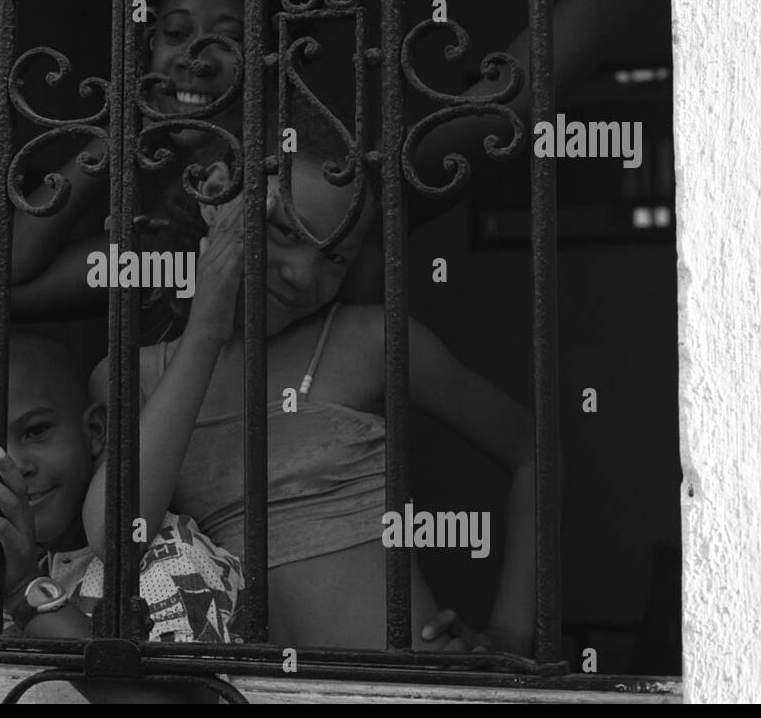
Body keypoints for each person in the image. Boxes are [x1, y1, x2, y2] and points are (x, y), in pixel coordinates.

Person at [0, 0, 669, 332]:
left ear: (272, 57)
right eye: (172, 31)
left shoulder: (339, 174)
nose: (192, 56)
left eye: (227, 35)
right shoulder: (158, 231)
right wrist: (115, 137)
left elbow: (507, 101)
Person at [84, 137, 536, 652]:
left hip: (412, 688)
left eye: (335, 258)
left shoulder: (369, 342)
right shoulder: (134, 377)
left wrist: (514, 633)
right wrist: (206, 327)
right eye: (283, 231)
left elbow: (533, 452)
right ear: (214, 195)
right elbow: (116, 539)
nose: (303, 274)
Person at [0, 330, 242, 645]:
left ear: (95, 432)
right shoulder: (45, 566)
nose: (15, 464)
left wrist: (28, 593)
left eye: (35, 431)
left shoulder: (165, 560)